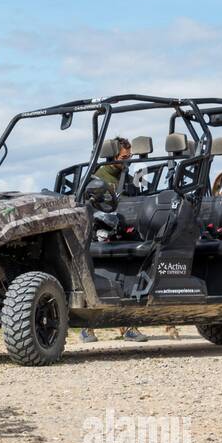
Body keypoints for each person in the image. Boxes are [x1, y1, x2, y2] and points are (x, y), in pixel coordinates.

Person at [82, 137, 148, 342]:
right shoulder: (96, 176)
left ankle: (127, 325)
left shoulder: (131, 175)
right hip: (101, 233)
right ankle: (87, 327)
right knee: (100, 283)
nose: (127, 162)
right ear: (112, 157)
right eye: (123, 158)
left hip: (125, 230)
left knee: (129, 279)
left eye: (130, 157)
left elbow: (144, 194)